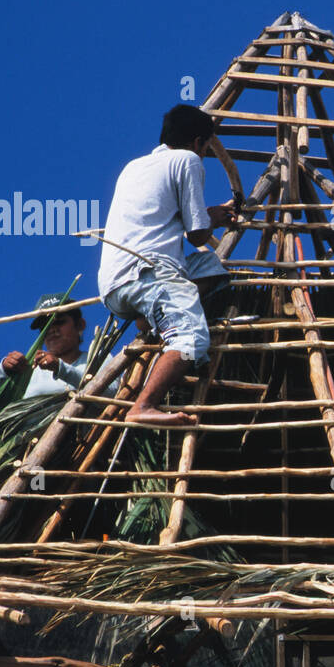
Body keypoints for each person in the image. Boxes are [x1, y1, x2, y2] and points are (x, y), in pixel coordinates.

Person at [97, 104, 235, 426]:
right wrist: (213, 218)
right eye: (204, 149)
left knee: (210, 267)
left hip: (116, 282)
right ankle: (143, 406)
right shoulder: (187, 160)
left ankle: (149, 316)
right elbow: (197, 232)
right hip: (149, 272)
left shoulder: (134, 167)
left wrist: (209, 215)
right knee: (191, 339)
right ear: (199, 142)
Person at [0, 296, 89, 418]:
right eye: (45, 326)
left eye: (59, 322)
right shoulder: (29, 371)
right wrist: (3, 371)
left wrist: (60, 368)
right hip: (36, 436)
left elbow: (109, 391)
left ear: (80, 325)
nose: (52, 330)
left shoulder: (95, 359)